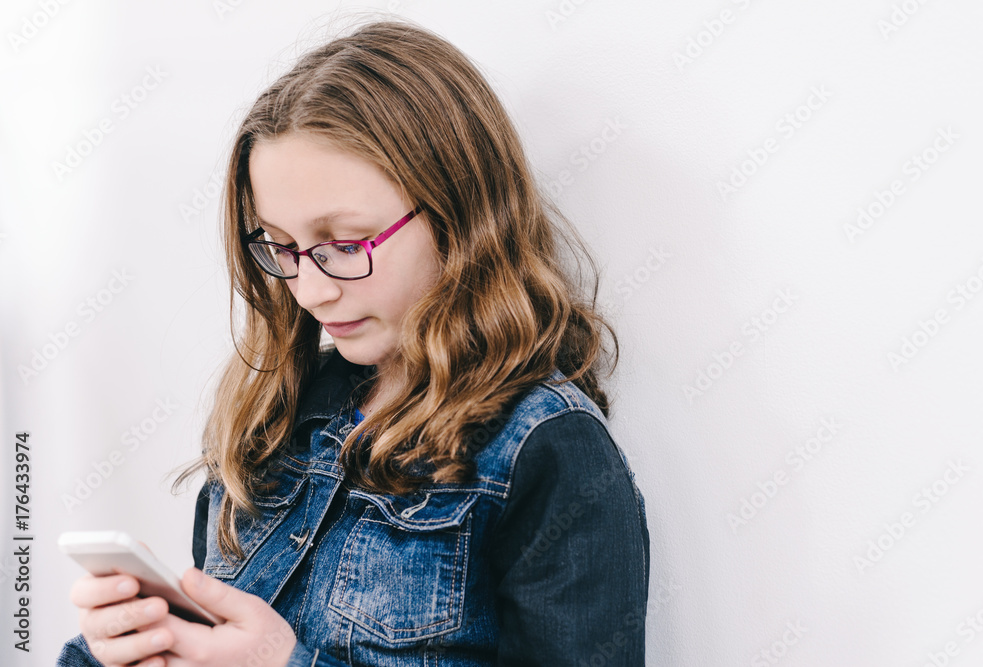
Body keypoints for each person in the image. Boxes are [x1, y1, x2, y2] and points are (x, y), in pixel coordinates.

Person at [57, 16, 649, 667]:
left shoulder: (547, 450)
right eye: (282, 247)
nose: (309, 290)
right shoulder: (279, 414)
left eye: (342, 245)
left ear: (459, 214)